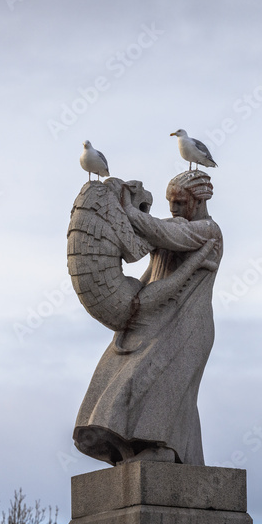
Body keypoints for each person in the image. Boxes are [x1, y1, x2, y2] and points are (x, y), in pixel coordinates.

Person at [73, 170, 222, 466]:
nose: (174, 209)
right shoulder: (169, 227)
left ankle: (159, 450)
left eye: (180, 202)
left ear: (199, 200)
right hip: (154, 320)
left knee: (154, 382)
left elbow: (163, 234)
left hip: (187, 324)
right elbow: (152, 264)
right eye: (171, 202)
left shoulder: (208, 231)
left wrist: (128, 211)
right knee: (172, 393)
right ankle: (183, 462)